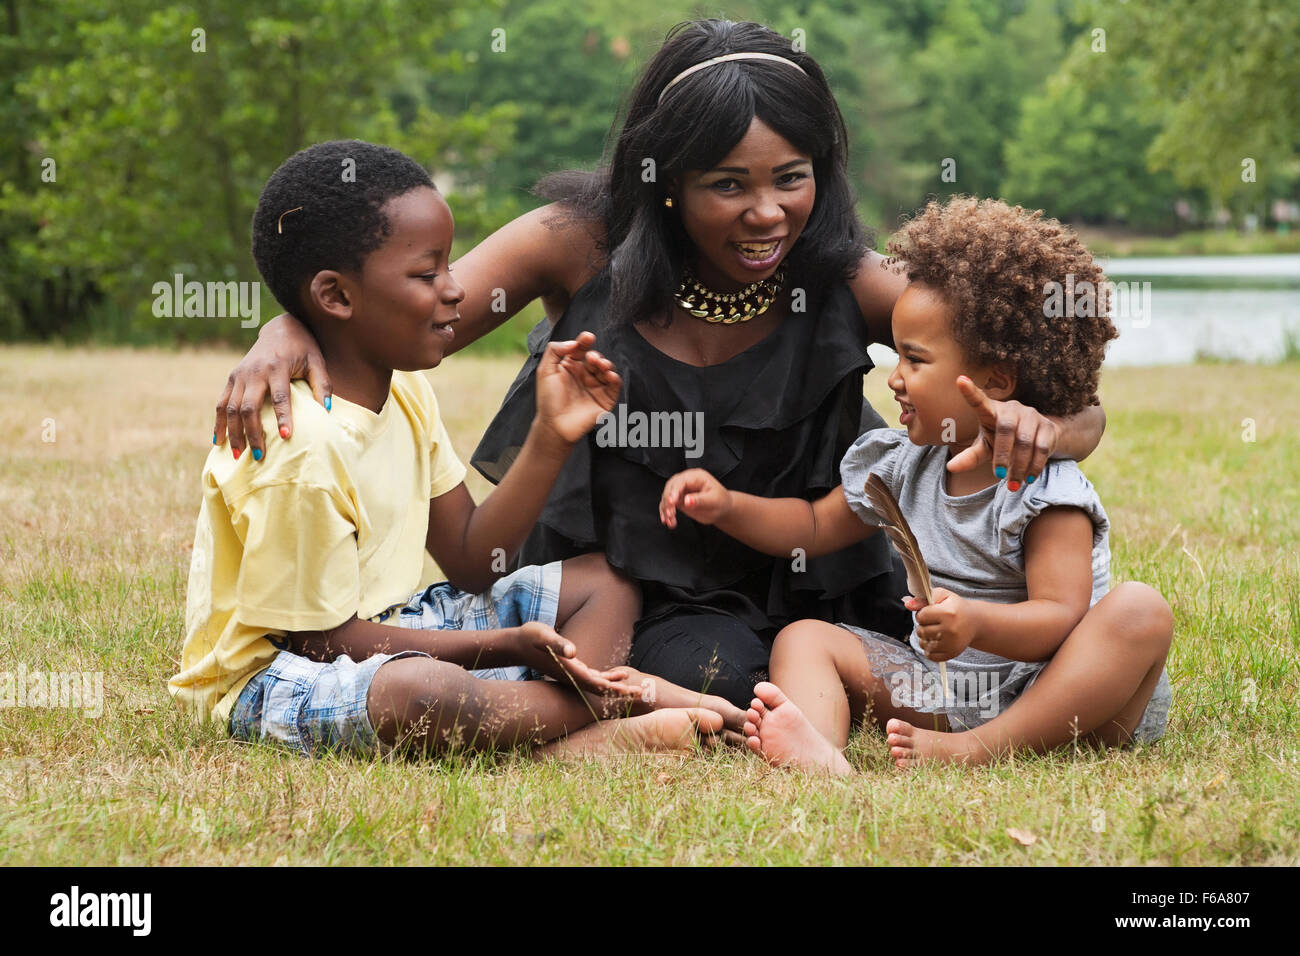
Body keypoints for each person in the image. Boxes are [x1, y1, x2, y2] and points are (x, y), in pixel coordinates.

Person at [210, 20, 1146, 709]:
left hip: (821, 574)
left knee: (935, 649)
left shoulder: (843, 274)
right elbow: (400, 313)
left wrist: (1052, 427)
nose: (768, 213)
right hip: (623, 587)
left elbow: (1066, 399)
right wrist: (285, 331)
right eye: (726, 185)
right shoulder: (573, 244)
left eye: (792, 177)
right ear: (664, 182)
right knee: (715, 673)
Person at [170, 139, 739, 760]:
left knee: (606, 578)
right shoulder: (300, 446)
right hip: (272, 675)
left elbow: (474, 560)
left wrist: (551, 435)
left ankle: (566, 725)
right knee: (421, 692)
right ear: (335, 297)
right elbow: (319, 640)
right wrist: (499, 648)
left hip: (392, 623)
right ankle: (608, 708)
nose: (455, 290)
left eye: (448, 266)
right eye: (426, 274)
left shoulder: (407, 392)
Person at [659, 197, 1173, 774]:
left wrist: (976, 621)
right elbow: (813, 526)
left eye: (914, 360)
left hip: (1068, 699)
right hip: (948, 689)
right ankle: (818, 754)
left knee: (1140, 610)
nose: (894, 379)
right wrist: (729, 506)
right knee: (804, 638)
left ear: (996, 381)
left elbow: (1059, 616)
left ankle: (979, 751)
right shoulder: (905, 465)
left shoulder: (1045, 490)